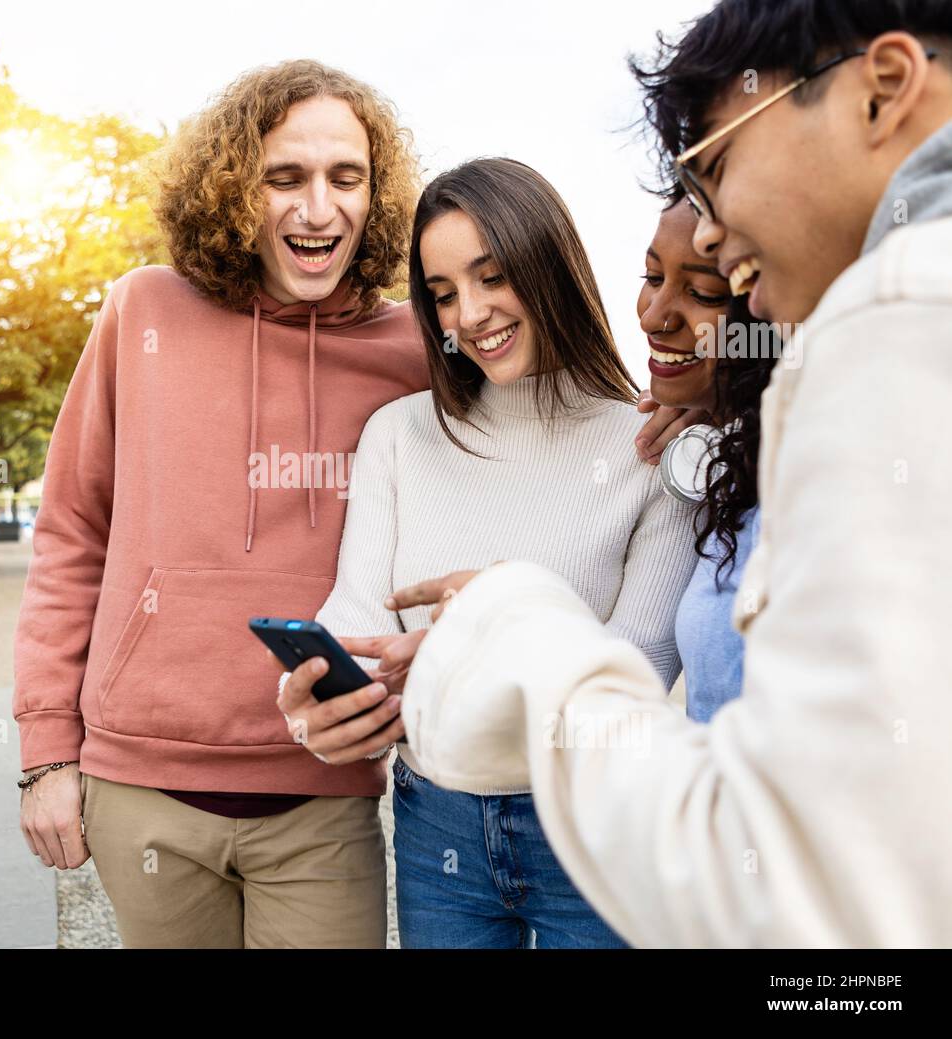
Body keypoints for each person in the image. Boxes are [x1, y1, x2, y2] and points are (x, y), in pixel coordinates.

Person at [385, 0, 952, 946]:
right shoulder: (747, 413)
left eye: (717, 164)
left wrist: (518, 627)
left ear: (883, 89)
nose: (715, 232)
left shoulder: (897, 322)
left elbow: (821, 901)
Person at [11, 60, 431, 948]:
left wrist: (675, 402)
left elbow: (545, 415)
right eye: (286, 177)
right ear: (237, 188)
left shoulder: (415, 348)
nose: (318, 209)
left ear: (374, 193)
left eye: (344, 178)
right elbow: (71, 533)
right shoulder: (142, 310)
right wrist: (46, 752)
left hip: (323, 800)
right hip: (142, 796)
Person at [274, 158, 698, 948]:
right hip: (437, 821)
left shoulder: (647, 444)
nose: (468, 314)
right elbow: (360, 616)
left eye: (492, 276)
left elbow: (638, 670)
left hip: (592, 818)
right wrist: (318, 699)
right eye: (441, 293)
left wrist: (477, 643)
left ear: (548, 265)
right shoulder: (398, 435)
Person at [637, 192, 776, 721]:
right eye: (651, 278)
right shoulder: (724, 453)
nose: (654, 317)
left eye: (702, 292)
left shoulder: (807, 490)